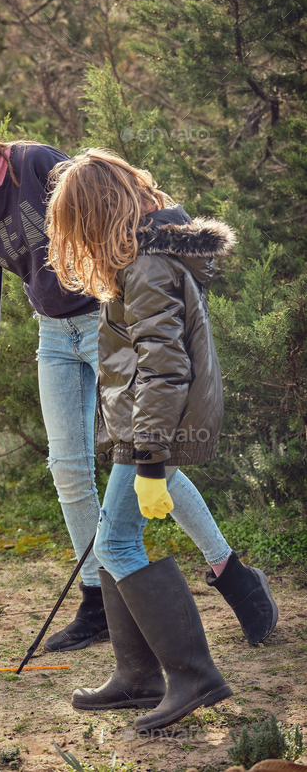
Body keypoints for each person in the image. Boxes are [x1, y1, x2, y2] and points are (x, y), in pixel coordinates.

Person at [0, 98, 276, 659]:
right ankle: (99, 600)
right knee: (68, 468)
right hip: (54, 337)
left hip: (109, 322)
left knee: (149, 459)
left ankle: (230, 572)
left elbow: (103, 209)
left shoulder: (34, 165)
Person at [46, 148, 278, 729]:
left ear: (98, 216)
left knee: (117, 542)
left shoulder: (147, 267)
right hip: (145, 425)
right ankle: (138, 677)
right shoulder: (143, 259)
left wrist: (149, 459)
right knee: (112, 537)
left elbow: (164, 369)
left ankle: (191, 675)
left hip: (155, 429)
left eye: (77, 226)